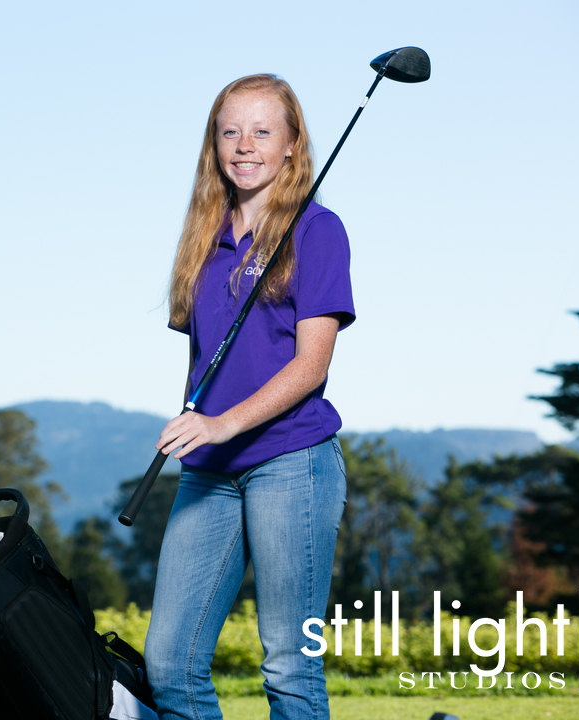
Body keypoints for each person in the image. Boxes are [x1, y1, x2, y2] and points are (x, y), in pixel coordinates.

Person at [144, 74, 354, 720]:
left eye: (263, 130)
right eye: (230, 130)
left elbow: (310, 367)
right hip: (208, 474)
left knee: (289, 666)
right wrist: (194, 423)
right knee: (169, 666)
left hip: (292, 461)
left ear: (292, 144)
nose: (245, 145)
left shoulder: (317, 230)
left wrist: (220, 424)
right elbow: (203, 356)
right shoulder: (202, 238)